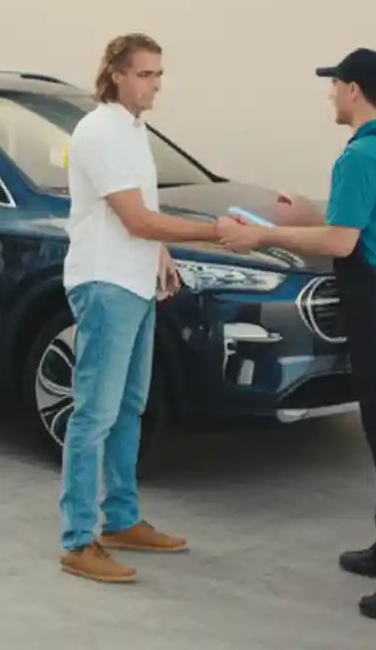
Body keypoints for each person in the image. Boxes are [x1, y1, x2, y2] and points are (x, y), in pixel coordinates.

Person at [216, 48, 376, 619]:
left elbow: (342, 243)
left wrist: (259, 240)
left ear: (354, 90)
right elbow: (368, 219)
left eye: (336, 85)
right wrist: (306, 212)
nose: (330, 94)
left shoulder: (360, 156)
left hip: (375, 307)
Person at [58, 33, 221, 584]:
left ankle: (122, 519)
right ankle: (78, 539)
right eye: (146, 74)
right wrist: (216, 232)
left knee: (129, 408)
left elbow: (141, 214)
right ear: (117, 75)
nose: (156, 84)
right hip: (105, 284)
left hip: (135, 283)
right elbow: (135, 219)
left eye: (158, 74)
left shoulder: (132, 128)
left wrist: (162, 251)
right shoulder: (101, 130)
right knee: (94, 415)